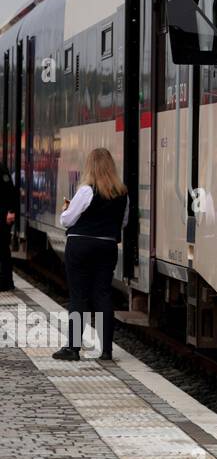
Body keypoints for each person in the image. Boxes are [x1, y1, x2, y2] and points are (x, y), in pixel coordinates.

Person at [52, 149, 129, 362]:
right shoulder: (122, 194)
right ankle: (106, 351)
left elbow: (67, 220)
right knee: (103, 294)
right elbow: (123, 222)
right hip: (107, 247)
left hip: (80, 246)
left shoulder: (86, 191)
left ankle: (73, 349)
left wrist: (65, 209)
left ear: (90, 167)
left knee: (79, 296)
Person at [0, 159, 17, 292]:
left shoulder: (1, 168)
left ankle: (6, 282)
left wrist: (11, 211)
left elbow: (10, 191)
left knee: (3, 248)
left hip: (3, 216)